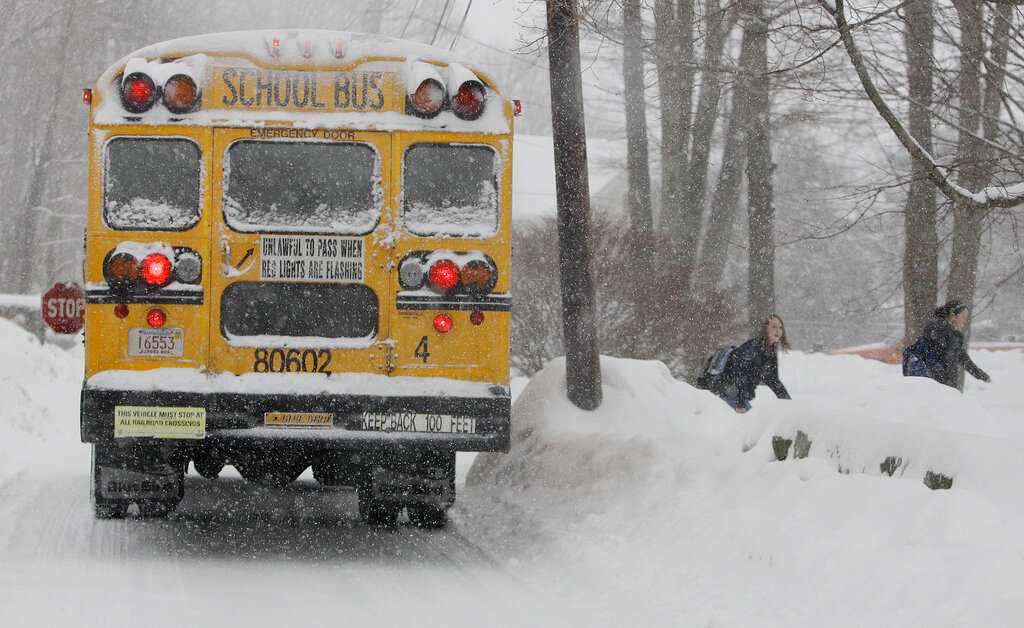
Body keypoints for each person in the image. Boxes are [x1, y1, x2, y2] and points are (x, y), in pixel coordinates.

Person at [709, 315, 792, 413]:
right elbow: (739, 375)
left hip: (738, 395)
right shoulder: (753, 347)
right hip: (727, 391)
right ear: (765, 329)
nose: (778, 330)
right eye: (774, 327)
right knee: (751, 423)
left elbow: (773, 380)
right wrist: (741, 403)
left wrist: (788, 403)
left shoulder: (770, 352)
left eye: (780, 327)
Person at [910, 300, 991, 389]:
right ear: (953, 315)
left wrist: (980, 374)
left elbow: (962, 357)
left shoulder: (951, 334)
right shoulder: (938, 329)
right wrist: (943, 384)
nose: (965, 320)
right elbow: (936, 358)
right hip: (936, 387)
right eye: (963, 316)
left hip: (946, 386)